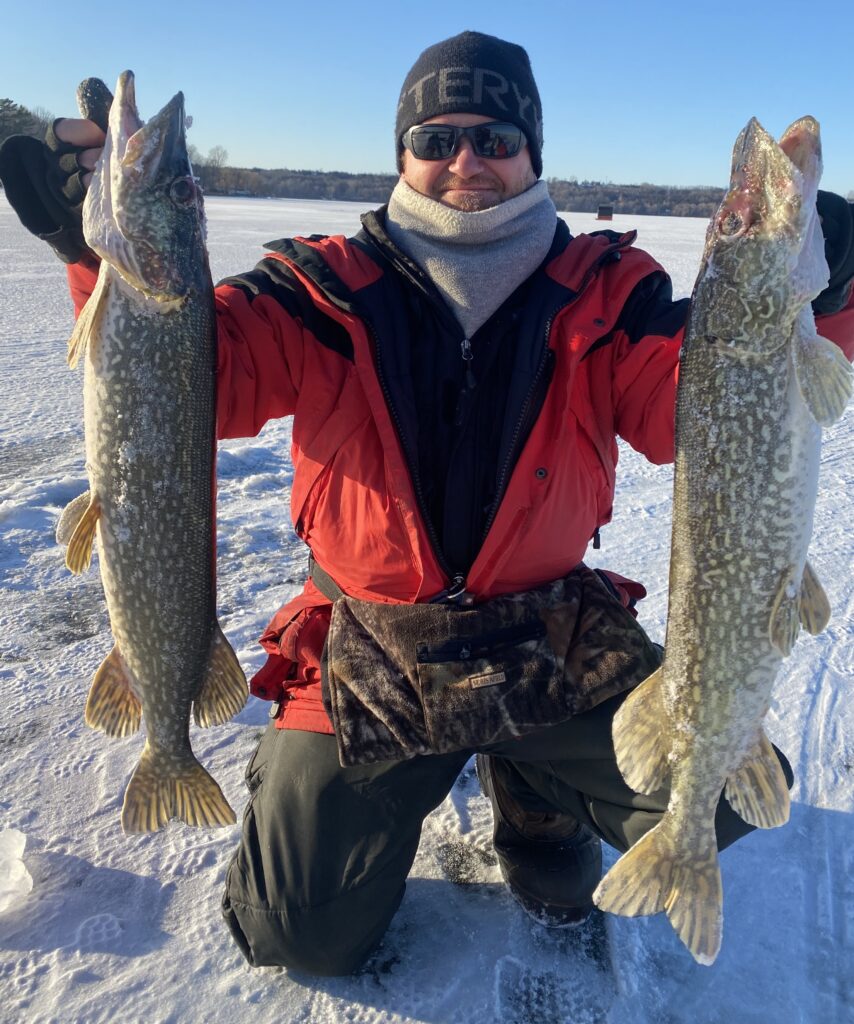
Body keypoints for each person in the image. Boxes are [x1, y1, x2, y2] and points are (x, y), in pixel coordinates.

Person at [2, 31, 853, 977]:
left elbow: (703, 405)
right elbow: (187, 376)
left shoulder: (610, 290)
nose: (467, 162)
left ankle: (529, 780)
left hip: (550, 631)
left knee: (733, 787)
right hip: (373, 639)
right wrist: (86, 250)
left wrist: (832, 295)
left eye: (494, 137)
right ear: (401, 153)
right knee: (302, 932)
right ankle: (347, 793)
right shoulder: (314, 284)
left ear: (533, 151)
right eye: (438, 138)